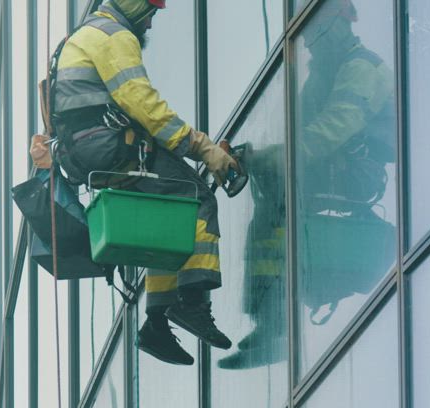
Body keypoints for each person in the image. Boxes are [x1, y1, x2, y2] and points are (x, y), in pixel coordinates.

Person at [50, 0, 240, 366]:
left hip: (84, 151)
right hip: (107, 143)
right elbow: (143, 105)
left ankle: (155, 323)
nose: (151, 23)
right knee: (196, 200)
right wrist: (203, 149)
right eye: (150, 12)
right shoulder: (114, 35)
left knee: (165, 220)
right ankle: (193, 303)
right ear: (135, 6)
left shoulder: (82, 35)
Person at [218, 0, 396, 370]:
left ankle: (273, 322)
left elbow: (329, 132)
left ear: (339, 27)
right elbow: (300, 135)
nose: (312, 44)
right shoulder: (323, 73)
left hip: (354, 172)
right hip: (333, 166)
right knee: (270, 210)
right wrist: (259, 157)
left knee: (276, 196)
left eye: (316, 35)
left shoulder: (362, 69)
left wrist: (272, 158)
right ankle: (269, 318)